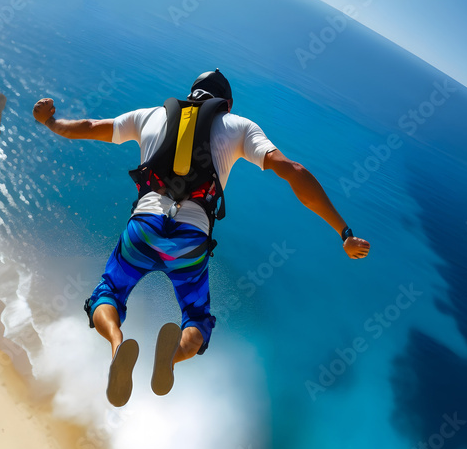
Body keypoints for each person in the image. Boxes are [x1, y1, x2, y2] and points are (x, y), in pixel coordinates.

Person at [33, 69, 370, 407]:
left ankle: (117, 344)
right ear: (227, 104)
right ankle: (171, 357)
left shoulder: (150, 115)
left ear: (192, 92)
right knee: (196, 319)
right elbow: (293, 171)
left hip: (143, 228)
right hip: (189, 242)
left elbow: (89, 128)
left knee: (109, 292)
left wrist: (51, 121)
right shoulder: (240, 127)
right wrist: (344, 233)